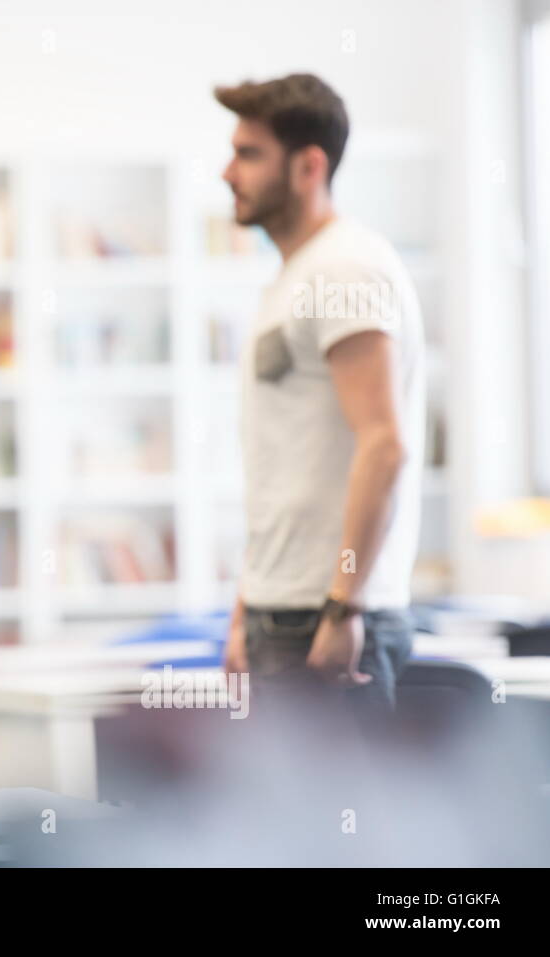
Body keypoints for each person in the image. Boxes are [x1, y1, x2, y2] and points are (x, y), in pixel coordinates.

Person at [215, 74, 425, 732]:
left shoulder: (344, 269)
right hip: (285, 613)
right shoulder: (296, 273)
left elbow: (383, 444)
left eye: (249, 153)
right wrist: (247, 608)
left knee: (344, 834)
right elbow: (292, 466)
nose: (228, 171)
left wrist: (344, 607)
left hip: (325, 621)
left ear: (309, 165)